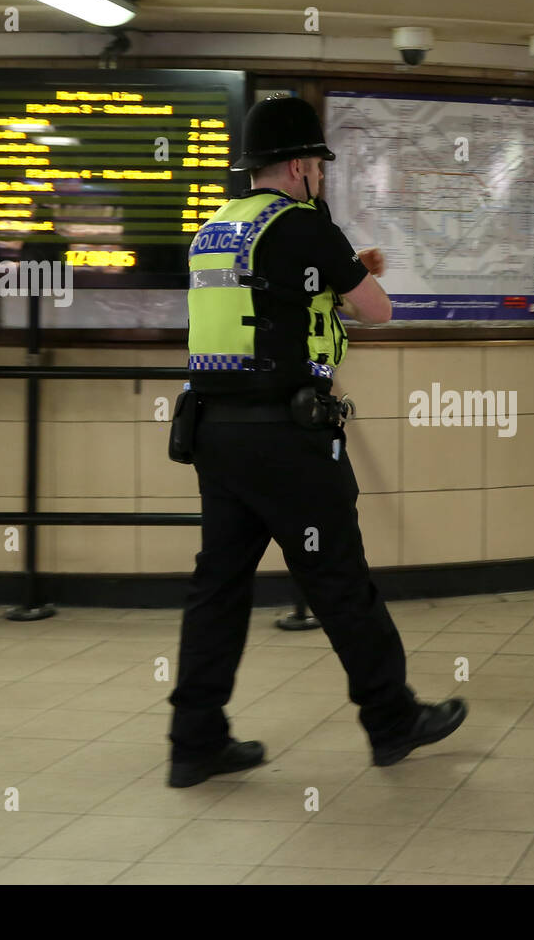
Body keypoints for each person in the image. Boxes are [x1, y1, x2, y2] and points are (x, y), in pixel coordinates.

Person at [167, 96, 466, 788]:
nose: (321, 179)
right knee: (339, 582)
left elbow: (264, 306)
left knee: (218, 588)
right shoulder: (304, 226)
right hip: (288, 443)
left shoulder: (214, 229)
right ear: (300, 165)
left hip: (216, 435)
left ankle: (194, 741)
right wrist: (350, 266)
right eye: (319, 167)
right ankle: (392, 721)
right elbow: (378, 310)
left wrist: (334, 271)